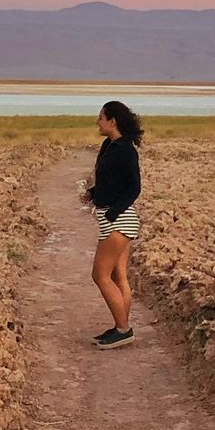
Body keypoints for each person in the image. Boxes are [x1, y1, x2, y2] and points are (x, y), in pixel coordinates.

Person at [82, 100, 142, 349]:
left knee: (100, 275)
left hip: (119, 220)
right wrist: (93, 193)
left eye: (101, 117)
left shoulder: (125, 149)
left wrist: (112, 213)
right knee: (118, 276)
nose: (98, 122)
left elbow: (133, 187)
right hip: (116, 217)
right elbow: (112, 183)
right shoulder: (111, 146)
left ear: (112, 120)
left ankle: (123, 329)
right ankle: (121, 326)